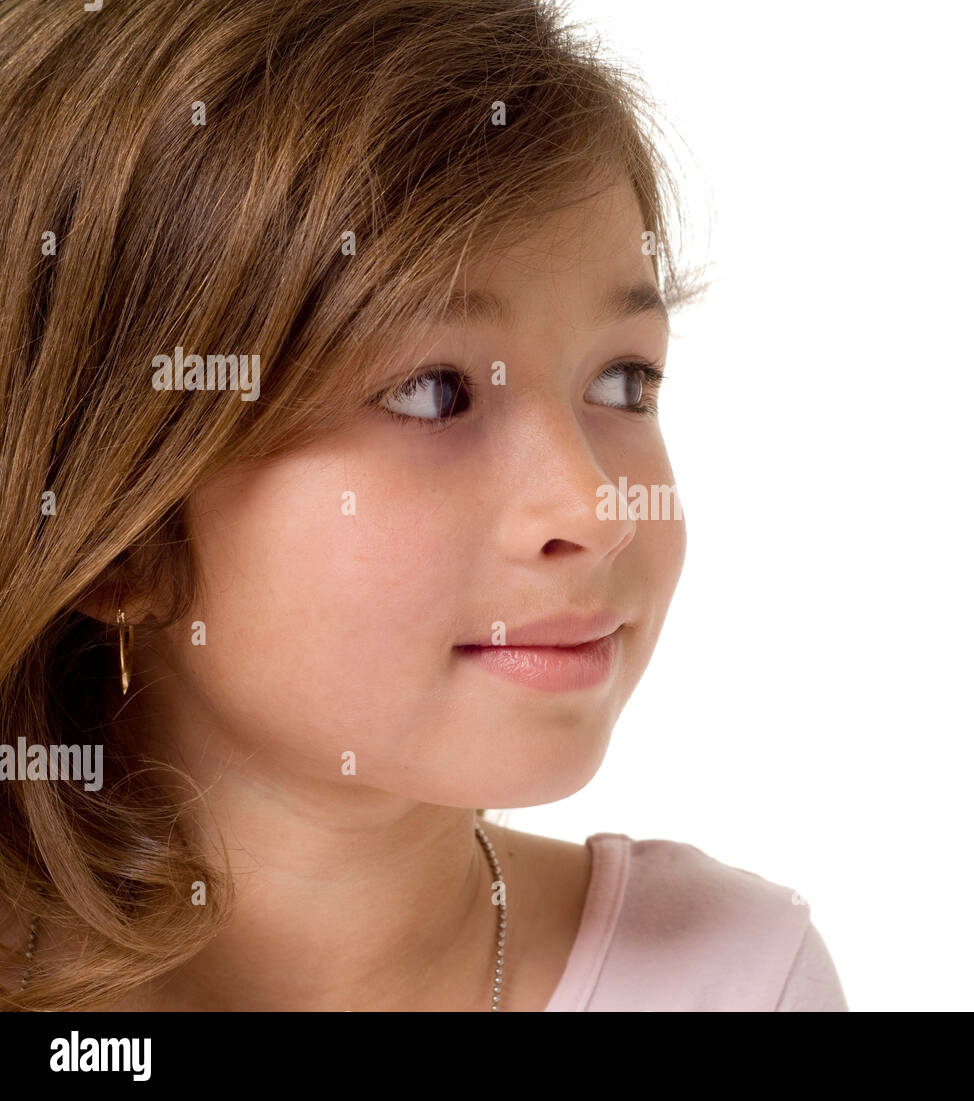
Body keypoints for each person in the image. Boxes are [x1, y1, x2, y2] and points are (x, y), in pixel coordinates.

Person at [0, 0, 847, 1012]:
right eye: (429, 392)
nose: (596, 505)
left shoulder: (735, 983)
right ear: (120, 540)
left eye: (622, 381)